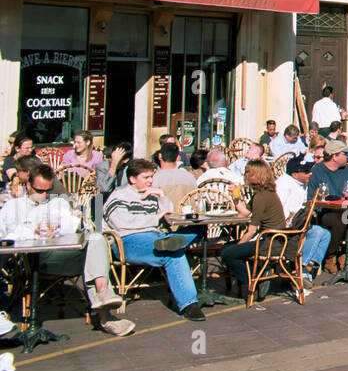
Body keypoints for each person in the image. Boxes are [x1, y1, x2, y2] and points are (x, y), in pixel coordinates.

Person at [0, 164, 134, 336]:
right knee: (91, 261)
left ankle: (103, 292)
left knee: (96, 238)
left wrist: (71, 222)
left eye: (48, 190)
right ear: (28, 185)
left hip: (62, 254)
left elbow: (72, 230)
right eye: (40, 191)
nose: (44, 195)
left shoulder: (58, 203)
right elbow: (6, 234)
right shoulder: (14, 206)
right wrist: (33, 231)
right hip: (34, 259)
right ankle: (106, 319)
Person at [104, 158, 205, 321]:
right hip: (128, 241)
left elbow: (169, 214)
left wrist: (162, 195)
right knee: (173, 252)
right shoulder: (119, 195)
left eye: (151, 176)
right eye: (146, 177)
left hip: (155, 237)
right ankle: (189, 304)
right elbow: (122, 223)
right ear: (132, 179)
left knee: (197, 230)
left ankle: (170, 243)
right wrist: (155, 219)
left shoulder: (152, 194)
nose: (150, 181)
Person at [219, 159, 287, 299]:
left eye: (246, 173)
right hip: (274, 239)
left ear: (254, 176)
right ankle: (257, 274)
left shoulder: (261, 197)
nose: (244, 175)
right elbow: (245, 212)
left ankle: (252, 282)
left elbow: (251, 230)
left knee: (228, 253)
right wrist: (236, 197)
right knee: (226, 248)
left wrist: (239, 245)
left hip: (270, 243)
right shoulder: (265, 193)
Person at [306, 140, 348, 273]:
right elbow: (311, 198)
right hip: (325, 212)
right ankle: (330, 255)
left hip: (346, 210)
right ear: (334, 156)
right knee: (338, 220)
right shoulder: (317, 170)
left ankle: (346, 252)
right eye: (345, 154)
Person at [274, 156, 332, 282]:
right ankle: (301, 269)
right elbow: (278, 209)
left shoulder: (301, 183)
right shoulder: (283, 185)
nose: (310, 173)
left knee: (325, 234)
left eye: (310, 170)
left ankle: (309, 267)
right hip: (285, 227)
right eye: (306, 172)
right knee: (317, 232)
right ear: (295, 174)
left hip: (297, 223)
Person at [153, 142, 198, 209]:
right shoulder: (189, 177)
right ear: (178, 158)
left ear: (160, 156)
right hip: (186, 213)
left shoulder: (154, 178)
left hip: (165, 214)